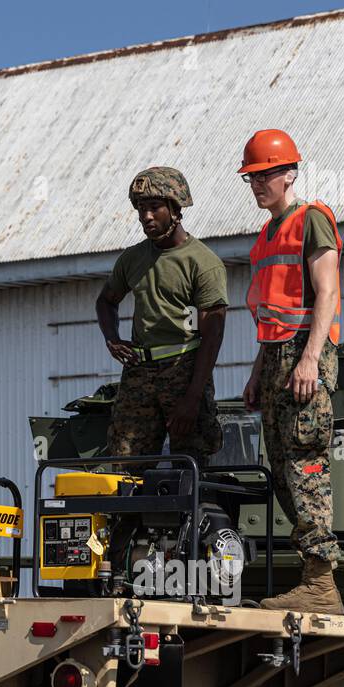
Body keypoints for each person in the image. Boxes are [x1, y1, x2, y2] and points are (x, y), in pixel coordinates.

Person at [238, 129, 344, 613]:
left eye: (265, 175)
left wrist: (309, 359)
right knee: (282, 470)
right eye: (252, 177)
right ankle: (311, 578)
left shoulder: (312, 220)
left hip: (305, 354)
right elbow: (270, 313)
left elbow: (327, 292)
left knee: (306, 465)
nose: (257, 184)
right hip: (276, 357)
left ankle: (321, 585)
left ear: (289, 174)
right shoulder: (264, 237)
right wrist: (259, 371)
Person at [96, 166, 227, 464]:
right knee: (124, 464)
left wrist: (193, 397)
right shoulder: (132, 258)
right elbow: (106, 301)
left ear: (175, 208)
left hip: (185, 370)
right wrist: (112, 338)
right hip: (138, 372)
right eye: (141, 209)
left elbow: (213, 334)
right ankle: (130, 514)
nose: (146, 217)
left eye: (154, 207)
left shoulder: (203, 262)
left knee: (190, 466)